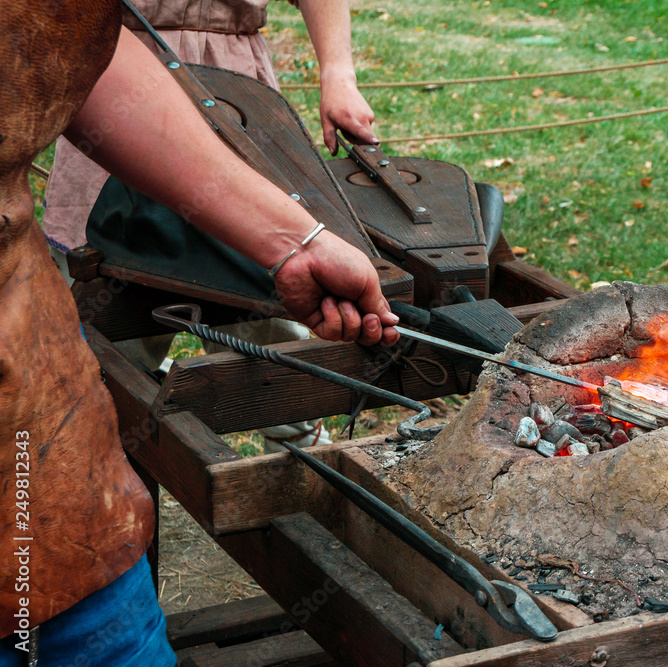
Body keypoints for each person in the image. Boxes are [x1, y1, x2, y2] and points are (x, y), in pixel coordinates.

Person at [0, 2, 397, 663]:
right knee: (121, 365)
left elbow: (74, 50)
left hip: (217, 112)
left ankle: (320, 562)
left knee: (287, 372)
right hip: (109, 175)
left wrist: (289, 240)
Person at [44, 0, 377, 452]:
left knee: (272, 332)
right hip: (114, 91)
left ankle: (301, 453)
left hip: (235, 95)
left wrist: (338, 72)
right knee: (100, 354)